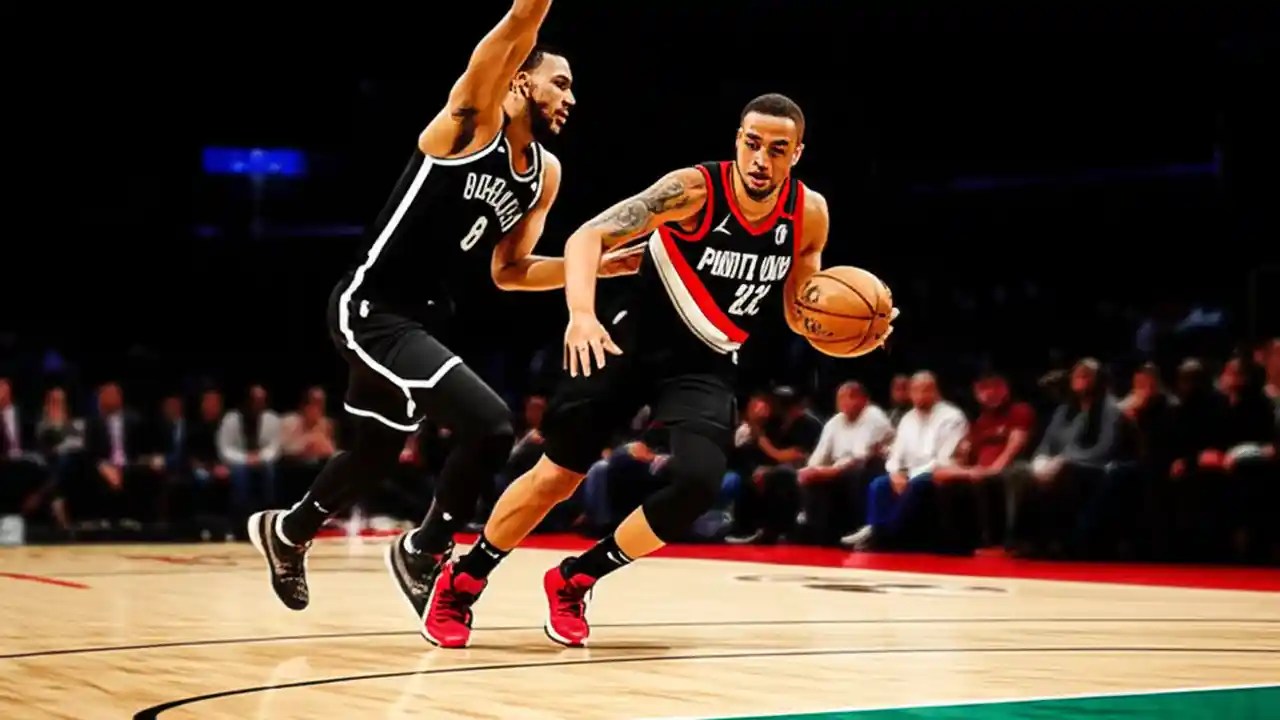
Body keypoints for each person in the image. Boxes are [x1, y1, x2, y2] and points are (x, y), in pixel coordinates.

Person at [417, 93, 897, 648]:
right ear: (738, 141)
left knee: (696, 484)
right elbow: (586, 237)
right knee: (558, 476)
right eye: (752, 143)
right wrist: (580, 314)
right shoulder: (694, 190)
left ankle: (576, 579)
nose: (762, 159)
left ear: (798, 154)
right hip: (631, 340)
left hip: (709, 358)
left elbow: (799, 308)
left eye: (777, 149)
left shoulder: (808, 212)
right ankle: (464, 577)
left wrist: (858, 332)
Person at [247, 0, 643, 613]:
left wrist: (588, 267)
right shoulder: (469, 124)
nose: (570, 97)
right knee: (489, 426)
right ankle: (426, 548)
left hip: (420, 318)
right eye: (559, 82)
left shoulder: (544, 174)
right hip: (371, 306)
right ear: (520, 80)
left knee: (374, 451)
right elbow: (518, 24)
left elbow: (509, 272)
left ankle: (288, 531)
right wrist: (531, 14)